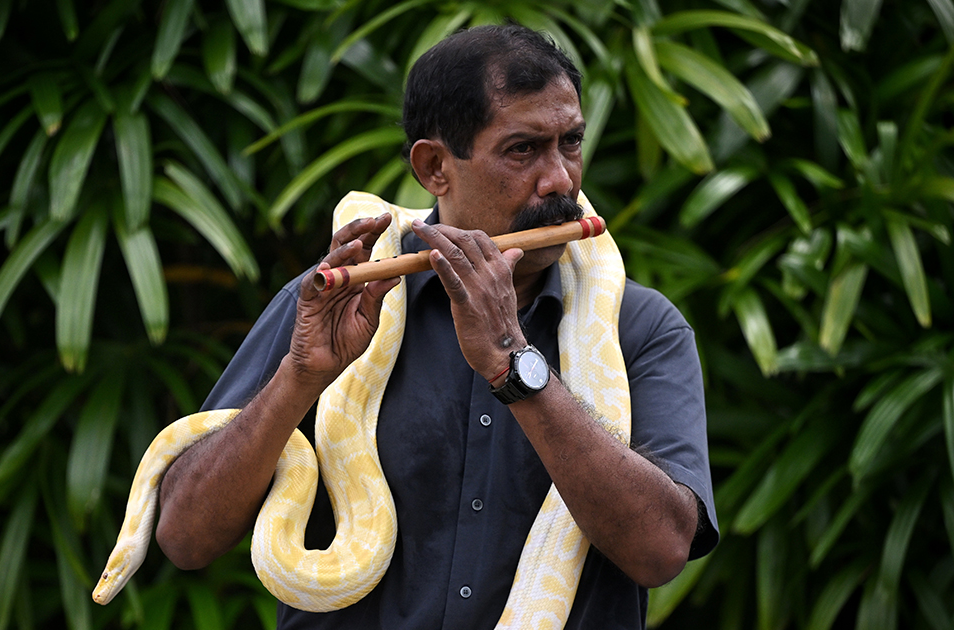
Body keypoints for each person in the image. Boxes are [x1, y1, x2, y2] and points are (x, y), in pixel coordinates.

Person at [154, 24, 718, 629]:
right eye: (523, 149)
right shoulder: (330, 302)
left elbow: (660, 551)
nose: (561, 181)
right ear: (434, 168)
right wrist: (299, 377)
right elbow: (185, 540)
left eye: (571, 143)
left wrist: (513, 365)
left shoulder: (641, 326)